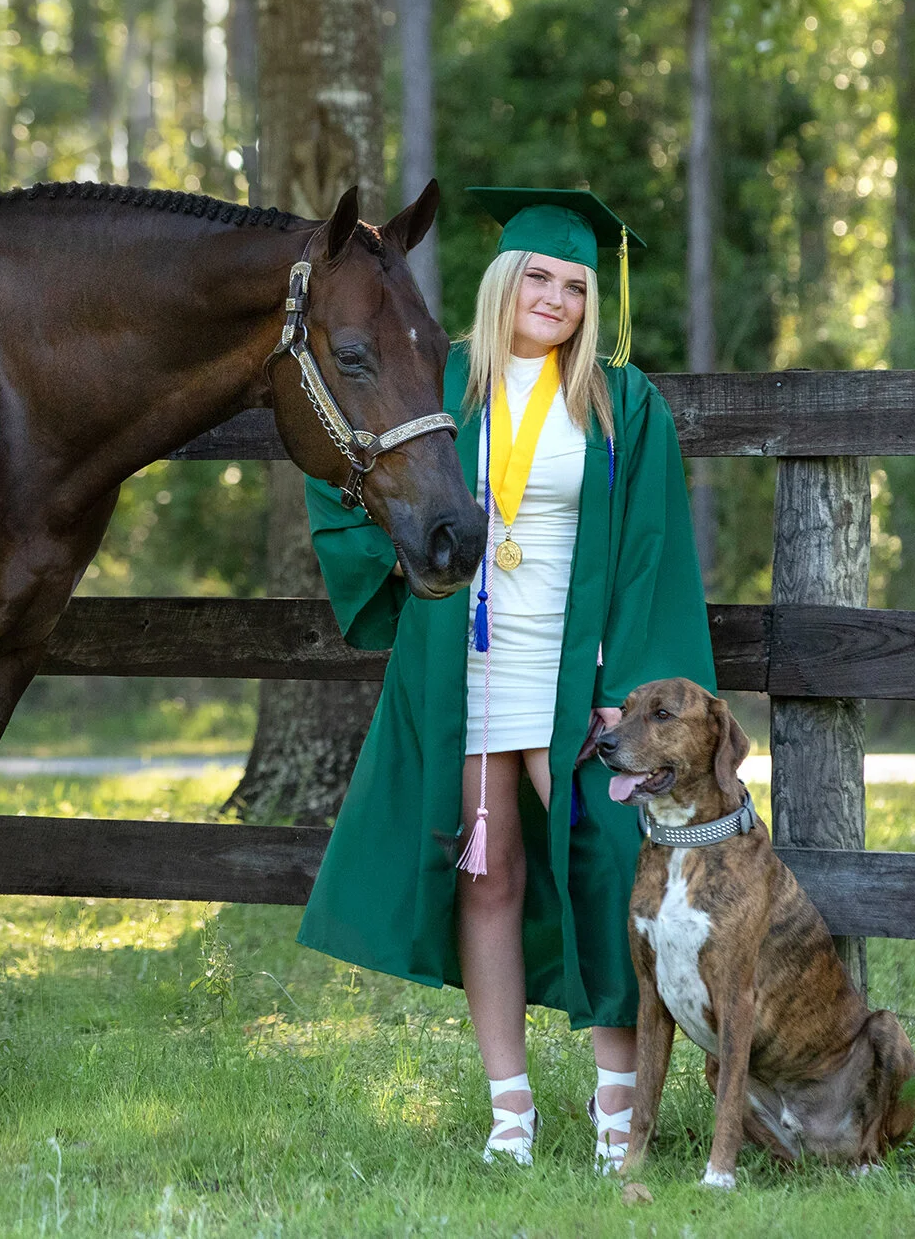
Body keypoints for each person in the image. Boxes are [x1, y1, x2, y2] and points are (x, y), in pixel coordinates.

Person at [295, 187, 719, 1171]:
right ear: (502, 282)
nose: (557, 297)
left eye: (575, 284)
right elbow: (339, 467)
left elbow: (654, 551)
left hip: (579, 674)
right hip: (466, 663)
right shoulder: (435, 379)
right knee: (485, 876)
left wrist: (635, 690)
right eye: (538, 275)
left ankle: (620, 1103)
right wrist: (399, 564)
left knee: (612, 868)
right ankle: (509, 1109)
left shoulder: (622, 399)